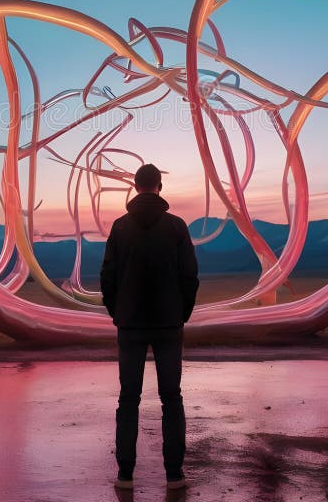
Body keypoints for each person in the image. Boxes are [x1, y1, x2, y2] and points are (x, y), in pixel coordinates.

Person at [100, 163, 200, 491]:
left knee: (128, 398)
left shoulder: (120, 227)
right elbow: (190, 275)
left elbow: (107, 277)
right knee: (171, 397)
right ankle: (174, 475)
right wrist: (181, 313)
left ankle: (125, 474)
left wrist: (119, 313)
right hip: (168, 323)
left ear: (135, 186)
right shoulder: (176, 227)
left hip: (130, 325)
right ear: (160, 186)